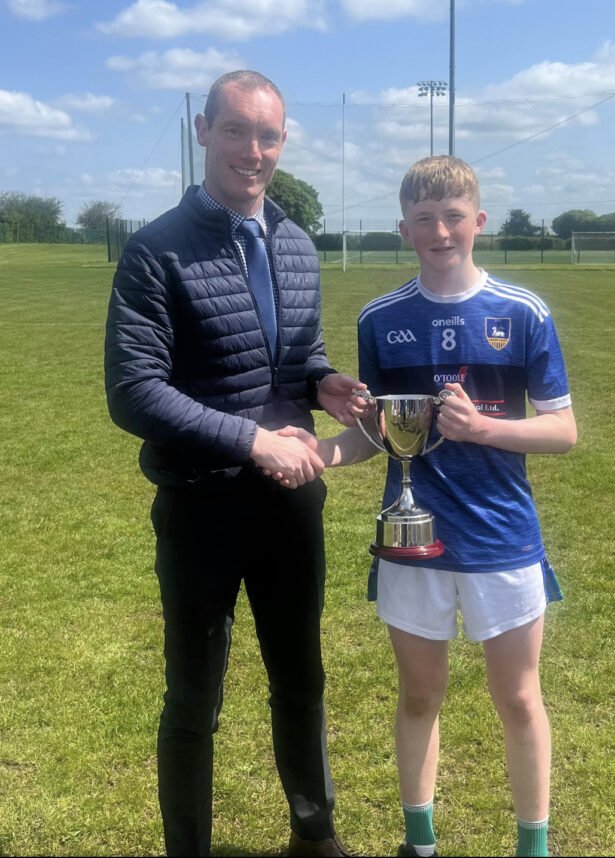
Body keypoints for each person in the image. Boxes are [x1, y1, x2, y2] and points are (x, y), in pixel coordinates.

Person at [104, 70, 367, 858]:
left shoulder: (295, 244)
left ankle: (313, 835)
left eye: (268, 136)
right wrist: (252, 441)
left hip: (291, 507)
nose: (252, 152)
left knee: (303, 682)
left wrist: (323, 382)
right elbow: (133, 393)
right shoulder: (156, 251)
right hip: (201, 509)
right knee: (194, 699)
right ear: (204, 132)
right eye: (236, 132)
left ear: (282, 142)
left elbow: (294, 359)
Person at [284, 155, 577, 857]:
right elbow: (382, 434)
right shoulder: (383, 319)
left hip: (502, 539)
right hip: (412, 541)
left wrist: (485, 429)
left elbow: (563, 431)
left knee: (517, 700)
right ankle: (419, 844)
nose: (440, 231)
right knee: (419, 698)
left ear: (478, 222)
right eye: (424, 220)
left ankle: (532, 849)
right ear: (404, 230)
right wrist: (324, 451)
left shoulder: (522, 312)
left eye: (453, 217)